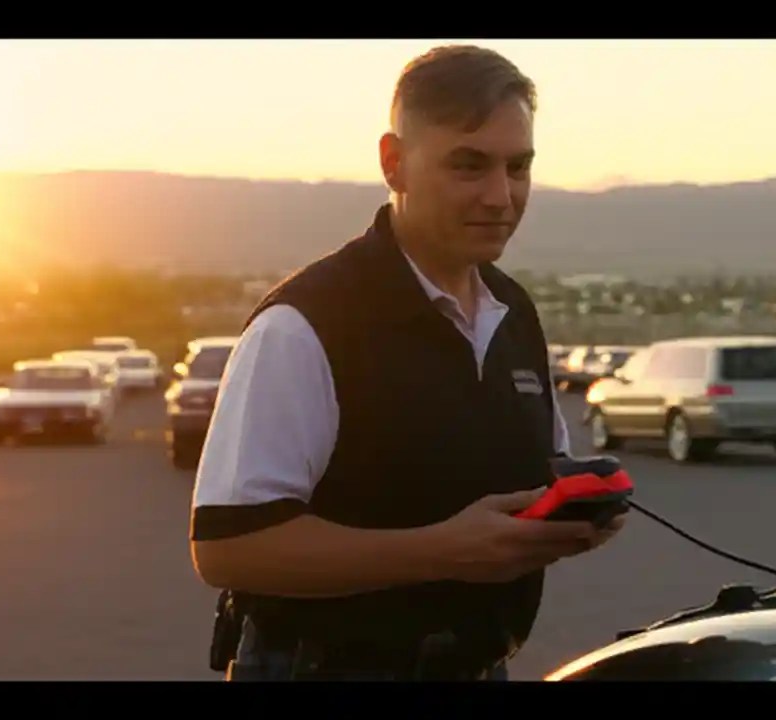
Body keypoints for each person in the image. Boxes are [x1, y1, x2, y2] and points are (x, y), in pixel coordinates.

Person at [188, 44, 625, 681]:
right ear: (394, 164)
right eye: (469, 166)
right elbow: (227, 548)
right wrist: (443, 553)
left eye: (519, 167)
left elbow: (536, 479)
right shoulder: (306, 323)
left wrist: (569, 518)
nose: (501, 196)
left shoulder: (514, 312)